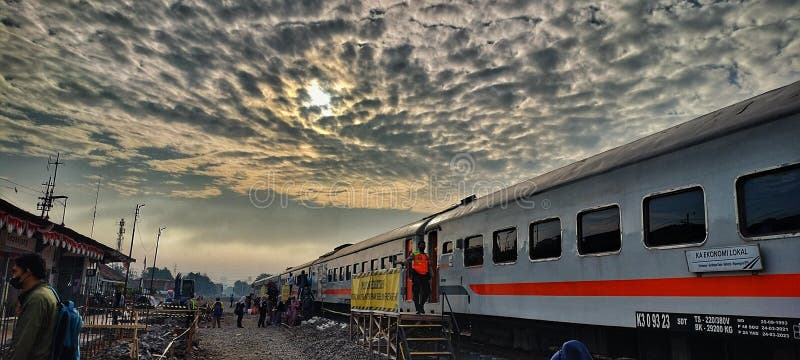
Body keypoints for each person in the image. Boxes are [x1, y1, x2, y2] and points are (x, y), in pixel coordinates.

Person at [7, 253, 58, 360]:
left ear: (28, 272)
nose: (13, 276)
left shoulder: (37, 299)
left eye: (16, 271)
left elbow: (23, 343)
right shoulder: (47, 292)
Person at [406, 240, 431, 314]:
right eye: (421, 245)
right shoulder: (415, 253)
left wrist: (431, 274)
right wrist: (404, 262)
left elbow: (429, 265)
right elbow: (409, 259)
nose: (423, 246)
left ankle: (421, 306)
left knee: (427, 291)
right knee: (416, 292)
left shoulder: (427, 255)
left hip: (425, 274)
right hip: (416, 274)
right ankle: (418, 308)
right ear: (418, 246)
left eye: (424, 245)